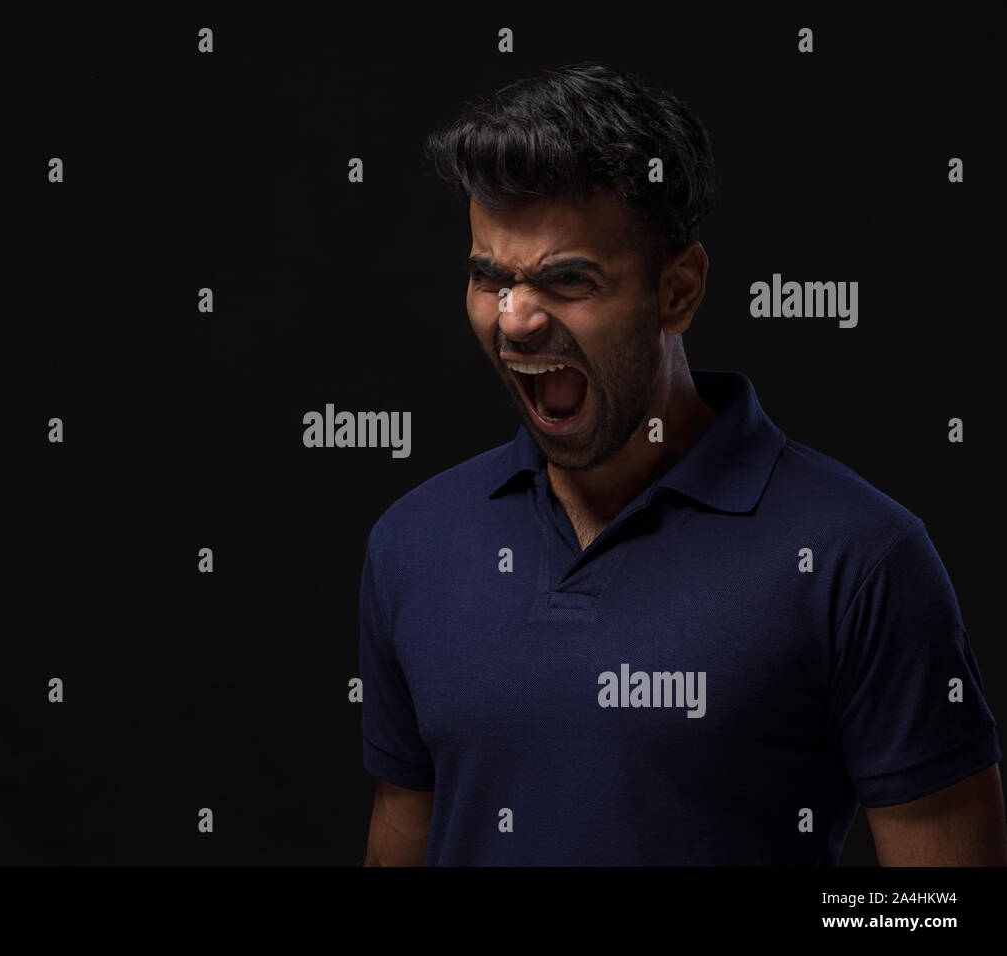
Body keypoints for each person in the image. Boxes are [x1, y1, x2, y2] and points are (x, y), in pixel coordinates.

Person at [359, 62, 1006, 865]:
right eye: (488, 277)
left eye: (567, 281)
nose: (515, 320)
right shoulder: (412, 543)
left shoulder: (861, 557)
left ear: (678, 291)